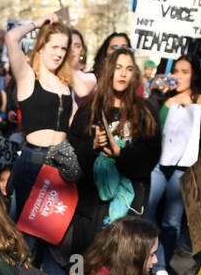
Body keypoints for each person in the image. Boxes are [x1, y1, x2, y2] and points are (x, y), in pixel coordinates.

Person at [64, 47, 160, 256]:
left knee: (123, 269)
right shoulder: (90, 108)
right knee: (87, 267)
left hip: (129, 206)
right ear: (109, 71)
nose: (123, 73)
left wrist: (121, 154)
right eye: (117, 68)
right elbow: (73, 153)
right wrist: (93, 146)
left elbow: (151, 156)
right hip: (92, 207)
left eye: (128, 68)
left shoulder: (145, 111)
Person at [147, 54, 201, 275]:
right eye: (176, 71)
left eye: (184, 72)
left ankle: (162, 263)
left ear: (194, 76)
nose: (178, 76)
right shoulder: (164, 96)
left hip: (182, 168)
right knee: (147, 214)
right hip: (159, 163)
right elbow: (149, 121)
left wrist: (193, 111)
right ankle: (142, 259)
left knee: (171, 221)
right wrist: (158, 92)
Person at [6, 15, 86, 217]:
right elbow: (11, 38)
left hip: (62, 162)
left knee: (54, 236)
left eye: (64, 48)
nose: (59, 53)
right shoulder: (27, 75)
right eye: (54, 47)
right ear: (41, 47)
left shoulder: (65, 81)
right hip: (35, 160)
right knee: (29, 233)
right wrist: (37, 23)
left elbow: (76, 121)